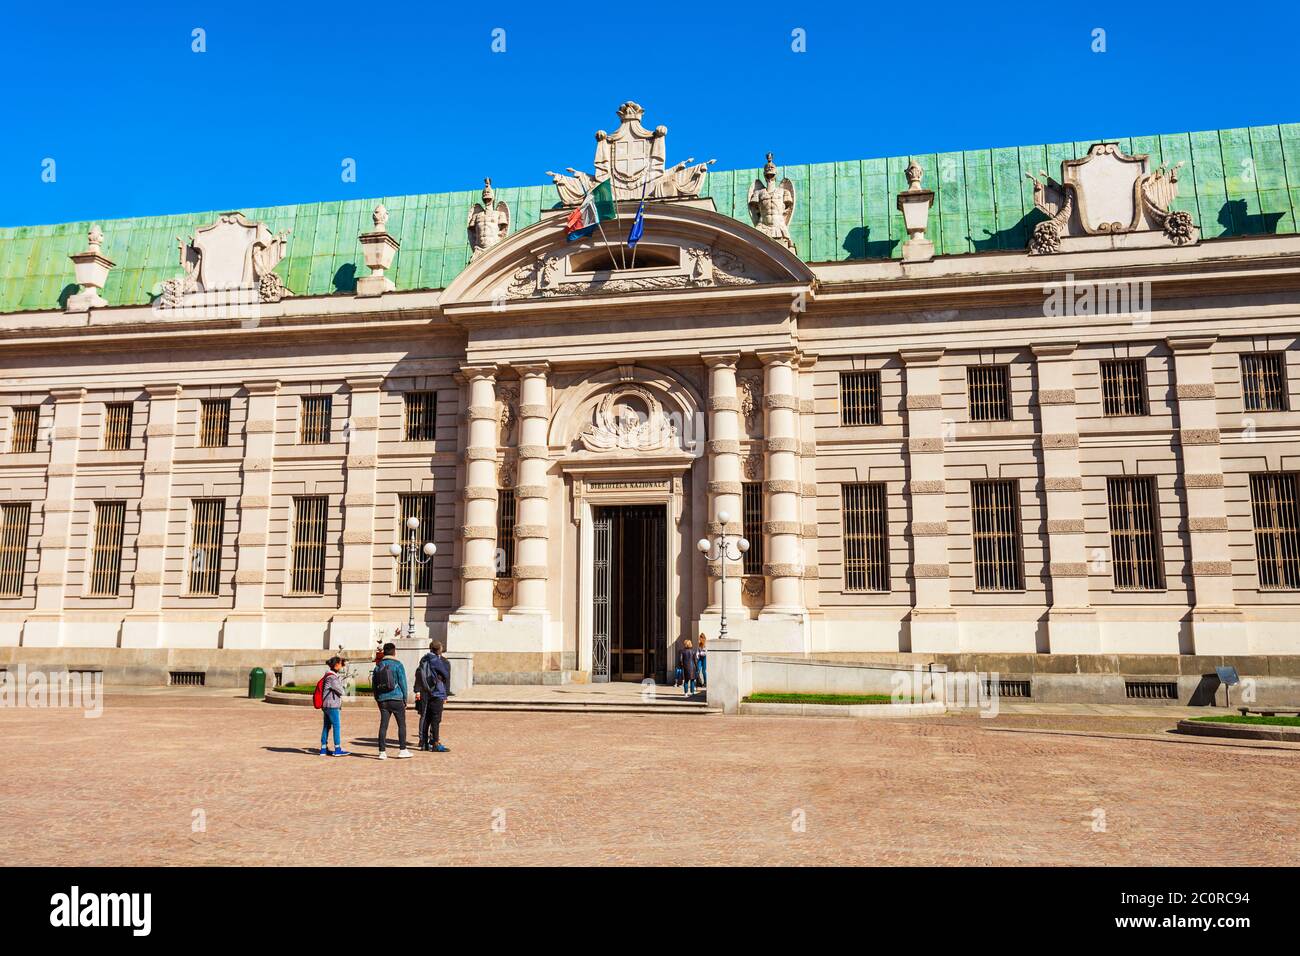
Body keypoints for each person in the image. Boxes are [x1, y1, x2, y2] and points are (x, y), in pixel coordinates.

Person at [372, 642, 412, 759]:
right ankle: (403, 750)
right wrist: (405, 698)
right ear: (394, 652)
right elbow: (403, 683)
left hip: (383, 699)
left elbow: (374, 685)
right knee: (401, 725)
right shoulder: (398, 664)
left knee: (383, 725)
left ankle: (382, 752)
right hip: (396, 698)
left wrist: (377, 698)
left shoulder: (378, 666)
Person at [415, 640, 452, 753]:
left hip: (426, 691)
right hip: (436, 692)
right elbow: (445, 674)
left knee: (426, 718)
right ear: (439, 649)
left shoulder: (424, 658)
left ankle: (424, 743)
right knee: (436, 719)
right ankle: (435, 743)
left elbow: (418, 673)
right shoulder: (435, 660)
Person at [318, 656, 350, 756]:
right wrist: (345, 683)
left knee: (326, 726)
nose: (342, 666)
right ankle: (337, 748)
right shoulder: (332, 677)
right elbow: (342, 691)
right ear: (336, 665)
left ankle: (323, 748)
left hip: (326, 704)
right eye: (340, 664)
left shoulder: (329, 675)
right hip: (332, 705)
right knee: (336, 726)